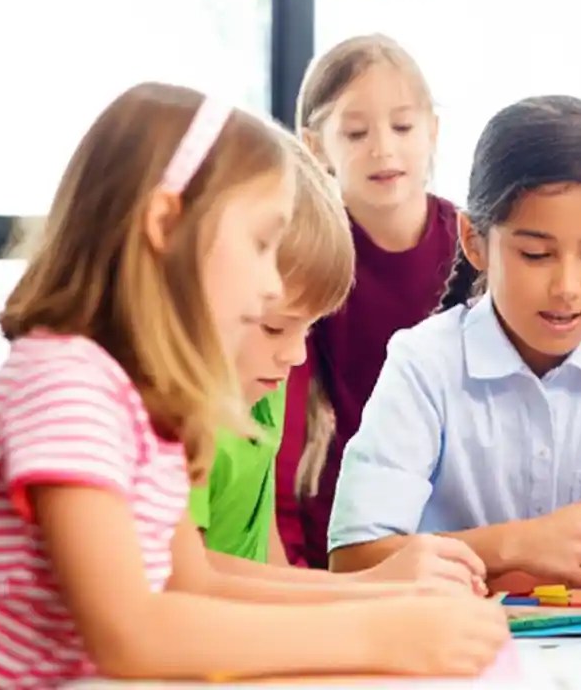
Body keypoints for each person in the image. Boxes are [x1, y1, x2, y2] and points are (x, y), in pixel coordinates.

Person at [0, 84, 507, 685]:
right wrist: (379, 632)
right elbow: (130, 635)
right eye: (261, 244)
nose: (269, 284)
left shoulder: (133, 398)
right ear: (166, 224)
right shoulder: (67, 383)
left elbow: (196, 582)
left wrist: (389, 606)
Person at [327, 95, 581, 607]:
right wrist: (518, 544)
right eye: (535, 254)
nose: (568, 287)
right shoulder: (424, 362)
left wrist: (514, 582)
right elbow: (356, 559)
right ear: (474, 240)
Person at [193, 142, 486, 592]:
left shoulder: (261, 392)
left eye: (307, 331)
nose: (296, 356)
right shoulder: (178, 416)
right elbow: (185, 578)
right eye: (273, 328)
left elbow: (263, 550)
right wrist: (365, 590)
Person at [277, 34, 459, 569]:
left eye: (402, 126)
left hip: (462, 535)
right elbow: (283, 435)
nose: (383, 148)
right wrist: (291, 573)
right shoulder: (311, 255)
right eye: (356, 133)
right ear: (315, 148)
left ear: (432, 131)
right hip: (341, 534)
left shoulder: (474, 246)